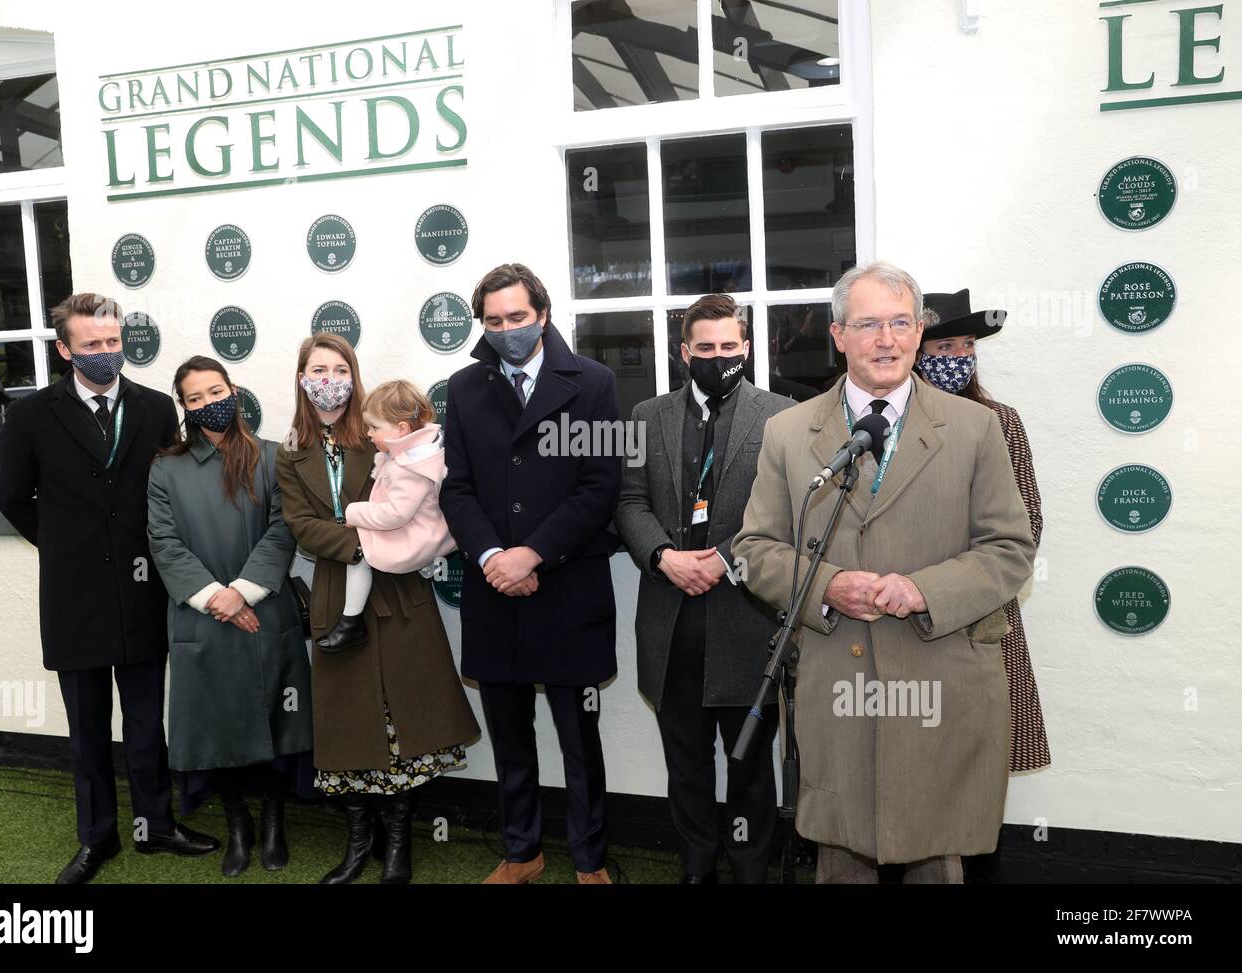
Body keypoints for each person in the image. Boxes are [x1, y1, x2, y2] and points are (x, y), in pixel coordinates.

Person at [732, 262, 1036, 884]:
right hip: (835, 679)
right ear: (838, 336)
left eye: (901, 322)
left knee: (935, 854)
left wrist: (924, 589)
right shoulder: (788, 432)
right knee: (840, 854)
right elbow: (755, 549)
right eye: (868, 324)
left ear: (920, 331)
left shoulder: (978, 428)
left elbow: (1010, 549)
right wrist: (827, 585)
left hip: (940, 673)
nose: (887, 339)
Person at [0, 293, 217, 884]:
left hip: (143, 590)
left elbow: (165, 491)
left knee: (147, 720)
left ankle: (156, 826)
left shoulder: (151, 408)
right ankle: (97, 839)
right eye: (91, 345)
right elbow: (13, 499)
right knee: (87, 726)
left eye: (113, 342)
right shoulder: (31, 415)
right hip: (73, 598)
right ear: (65, 349)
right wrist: (68, 549)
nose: (105, 353)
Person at [439, 263, 621, 884]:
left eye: (517, 317)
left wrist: (532, 554)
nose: (507, 330)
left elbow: (600, 489)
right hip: (495, 591)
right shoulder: (463, 390)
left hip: (566, 589)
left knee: (579, 743)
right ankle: (522, 853)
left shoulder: (594, 382)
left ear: (542, 315)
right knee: (511, 740)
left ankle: (590, 861)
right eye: (493, 321)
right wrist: (494, 558)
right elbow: (457, 491)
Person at [276, 333, 478, 885]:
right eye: (319, 368)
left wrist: (387, 546)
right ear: (301, 376)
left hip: (398, 593)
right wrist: (360, 546)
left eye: (340, 367)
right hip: (337, 592)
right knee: (348, 725)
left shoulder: (385, 435)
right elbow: (300, 525)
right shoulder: (290, 451)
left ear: (354, 374)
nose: (330, 377)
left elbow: (423, 509)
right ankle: (357, 843)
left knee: (401, 719)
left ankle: (398, 846)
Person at [615, 294, 795, 884]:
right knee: (686, 763)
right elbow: (629, 501)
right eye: (706, 348)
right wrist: (664, 557)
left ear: (745, 348)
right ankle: (696, 865)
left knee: (748, 764)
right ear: (684, 351)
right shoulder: (645, 417)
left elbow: (787, 511)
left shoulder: (782, 416)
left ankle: (749, 869)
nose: (718, 357)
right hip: (670, 622)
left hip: (747, 617)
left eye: (729, 347)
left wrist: (723, 558)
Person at [147, 356, 315, 878]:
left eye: (214, 392)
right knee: (216, 724)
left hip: (264, 612)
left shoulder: (272, 458)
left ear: (233, 391)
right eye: (194, 399)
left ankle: (272, 822)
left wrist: (242, 592)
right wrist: (213, 597)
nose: (208, 405)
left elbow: (283, 530)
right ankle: (237, 826)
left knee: (272, 719)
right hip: (201, 620)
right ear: (184, 407)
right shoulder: (165, 467)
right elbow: (163, 541)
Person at [917, 291, 1050, 775]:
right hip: (907, 607)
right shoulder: (887, 425)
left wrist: (970, 580)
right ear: (918, 354)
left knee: (985, 753)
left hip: (984, 609)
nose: (959, 358)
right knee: (919, 751)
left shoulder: (1000, 420)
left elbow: (1028, 518)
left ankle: (981, 853)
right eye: (944, 348)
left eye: (967, 345)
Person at [318, 380, 456, 648]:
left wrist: (353, 513)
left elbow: (396, 514)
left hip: (417, 537)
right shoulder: (411, 454)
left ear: (401, 429)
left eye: (374, 427)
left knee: (358, 555)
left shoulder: (411, 466)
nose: (369, 433)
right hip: (418, 530)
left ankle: (350, 621)